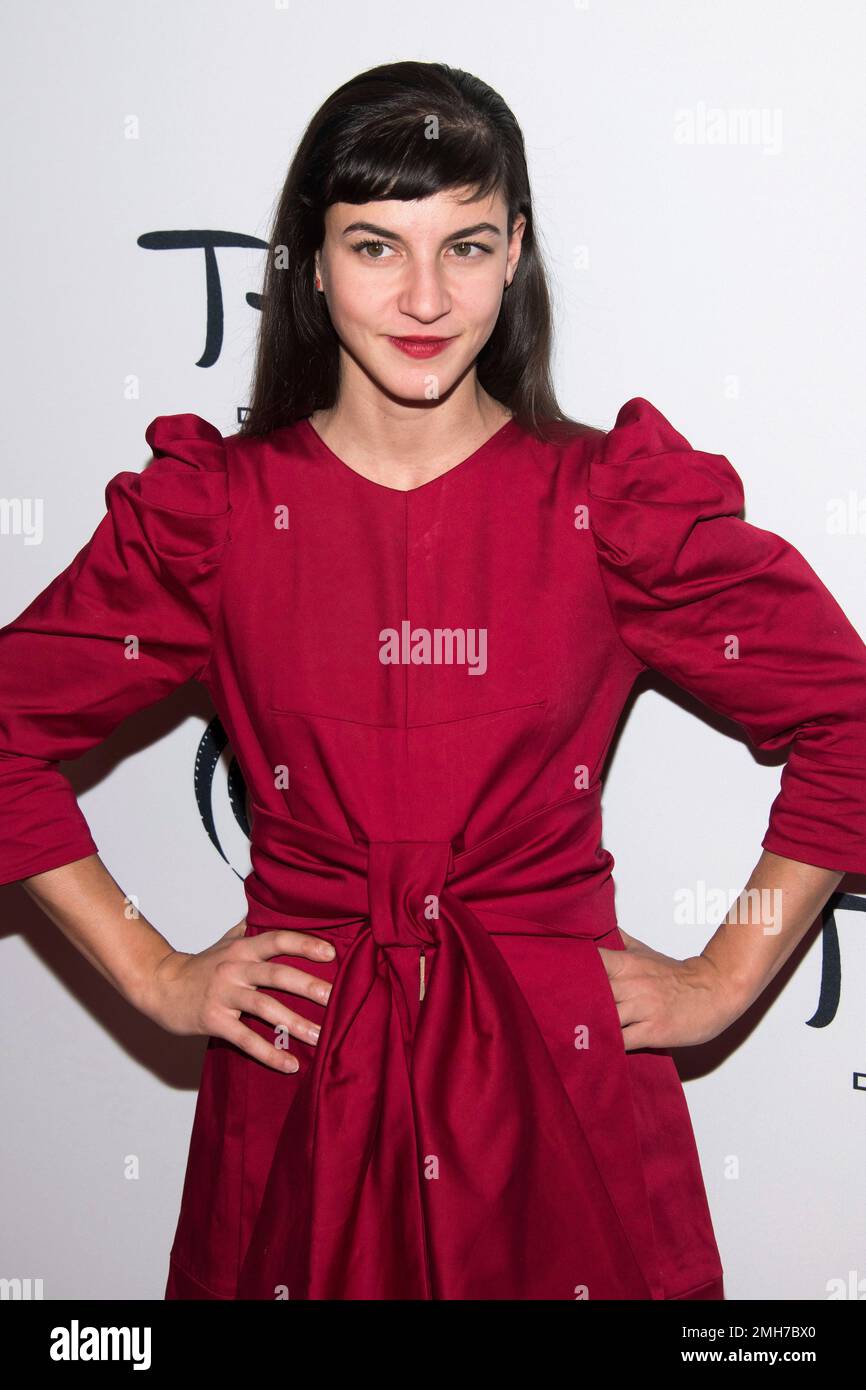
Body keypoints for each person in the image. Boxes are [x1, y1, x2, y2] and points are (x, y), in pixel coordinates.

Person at [2, 60, 865, 1302]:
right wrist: (152, 973)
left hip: (555, 1075)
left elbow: (842, 709)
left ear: (514, 252)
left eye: (463, 244)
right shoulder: (218, 517)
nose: (422, 296)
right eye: (373, 246)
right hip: (307, 1077)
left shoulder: (606, 505)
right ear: (305, 260)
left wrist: (722, 976)